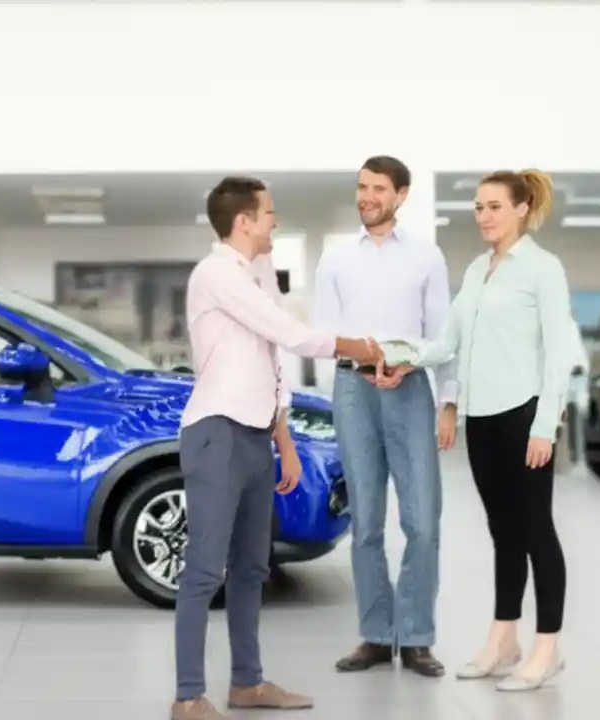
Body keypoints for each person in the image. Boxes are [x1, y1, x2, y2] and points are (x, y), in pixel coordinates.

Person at [171, 176, 383, 720]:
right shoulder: (215, 274)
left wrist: (283, 439)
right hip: (215, 432)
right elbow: (289, 332)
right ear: (243, 221)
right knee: (204, 570)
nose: (275, 221)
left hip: (255, 436)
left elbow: (272, 357)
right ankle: (188, 697)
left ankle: (248, 683)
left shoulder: (256, 270)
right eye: (268, 213)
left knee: (251, 568)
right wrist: (354, 346)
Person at [383, 168, 573, 692]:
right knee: (503, 532)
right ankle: (503, 638)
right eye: (478, 208)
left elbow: (558, 353)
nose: (484, 216)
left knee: (536, 530)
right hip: (482, 419)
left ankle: (547, 648)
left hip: (524, 413)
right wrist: (400, 357)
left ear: (520, 209)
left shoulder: (542, 269)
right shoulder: (476, 269)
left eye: (493, 206)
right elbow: (446, 344)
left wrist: (545, 426)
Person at [312, 155, 457, 678]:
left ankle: (416, 636)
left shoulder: (426, 257)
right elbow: (325, 334)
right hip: (353, 389)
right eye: (361, 187)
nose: (366, 196)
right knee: (366, 520)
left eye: (377, 188)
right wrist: (362, 364)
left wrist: (448, 401)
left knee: (421, 519)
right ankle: (375, 634)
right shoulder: (334, 259)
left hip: (409, 387)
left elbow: (443, 338)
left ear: (401, 195)